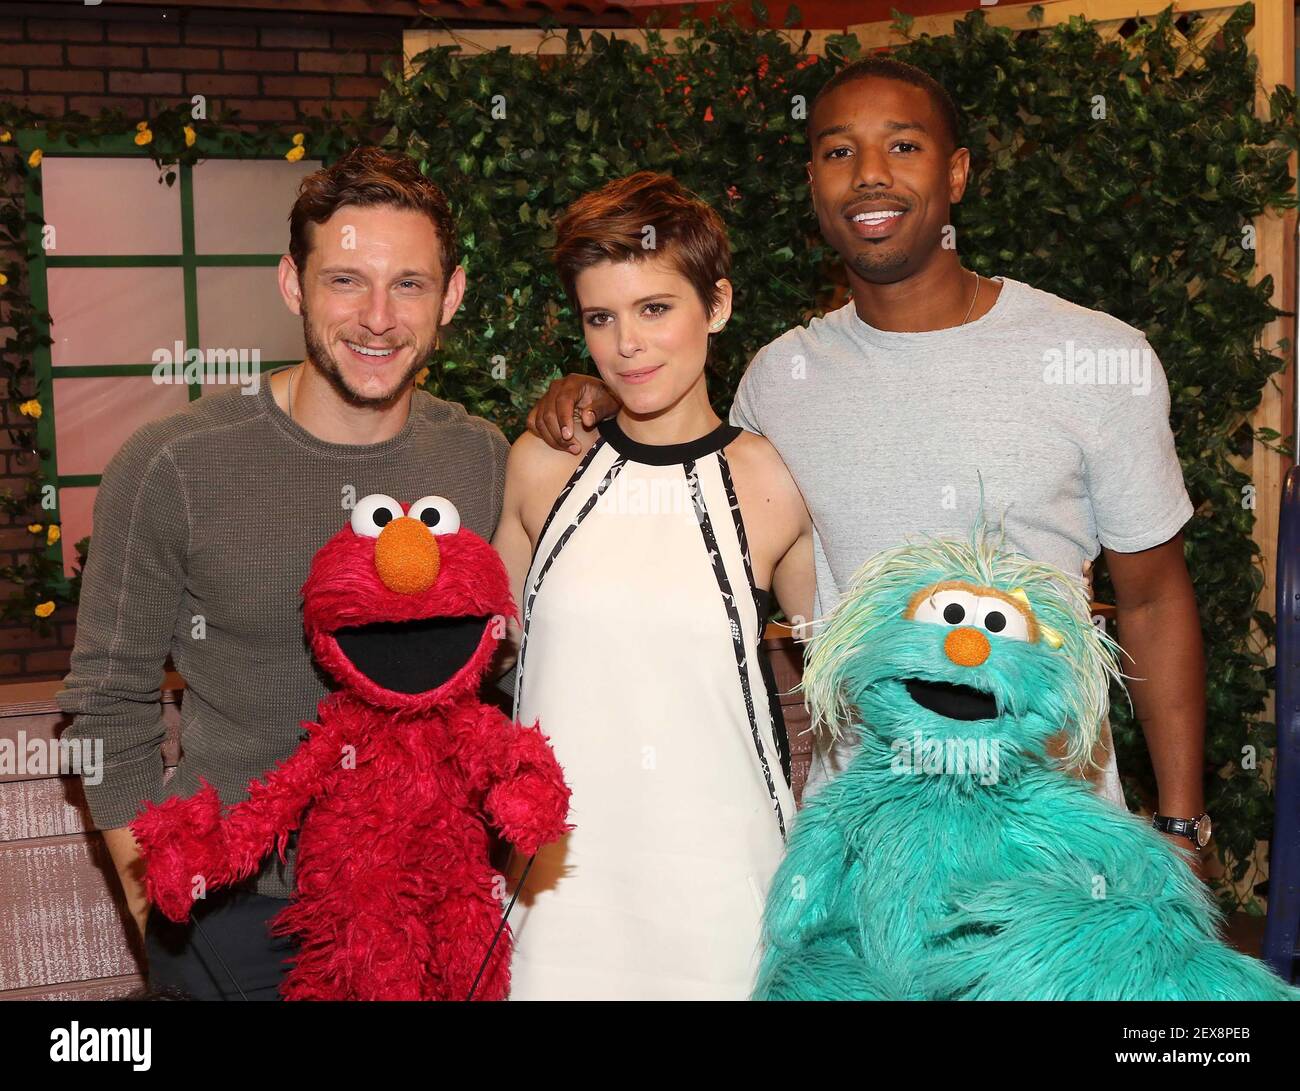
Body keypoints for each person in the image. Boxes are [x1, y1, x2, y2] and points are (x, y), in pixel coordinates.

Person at [524, 58, 1208, 865]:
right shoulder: (779, 381)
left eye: (904, 146)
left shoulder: (1096, 358)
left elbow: (1156, 602)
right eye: (839, 151)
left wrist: (1179, 825)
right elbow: (701, 528)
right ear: (813, 181)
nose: (869, 175)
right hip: (853, 858)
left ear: (956, 174)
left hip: (1050, 854)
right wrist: (604, 393)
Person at [57, 146, 510, 1000]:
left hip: (417, 910)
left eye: (409, 284)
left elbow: (502, 667)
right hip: (232, 915)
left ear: (450, 296)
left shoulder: (481, 456)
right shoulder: (174, 464)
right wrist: (148, 887)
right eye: (345, 280)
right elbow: (106, 698)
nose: (377, 317)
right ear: (293, 284)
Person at [491, 171, 815, 998]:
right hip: (553, 904)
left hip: (725, 906)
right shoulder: (538, 466)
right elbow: (483, 671)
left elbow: (853, 690)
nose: (627, 344)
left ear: (718, 306)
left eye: (655, 309)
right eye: (601, 317)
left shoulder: (776, 479)